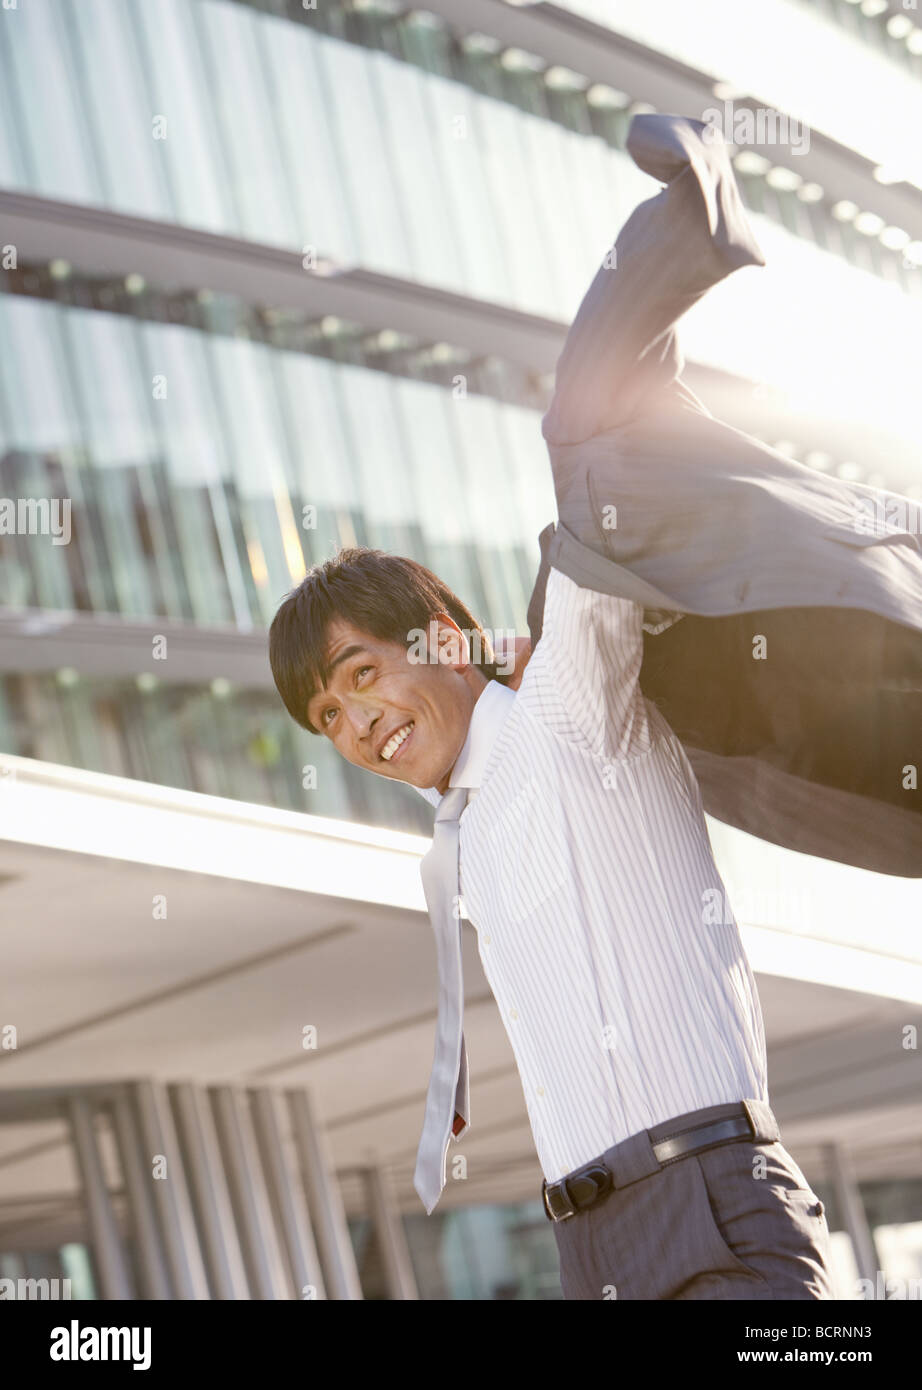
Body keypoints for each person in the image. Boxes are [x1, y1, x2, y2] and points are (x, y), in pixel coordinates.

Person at [268, 113, 921, 1299]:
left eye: (362, 675)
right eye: (330, 718)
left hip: (713, 1204)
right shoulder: (457, 839)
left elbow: (595, 466)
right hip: (595, 1250)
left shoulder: (569, 704)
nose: (357, 725)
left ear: (438, 636)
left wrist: (669, 237)